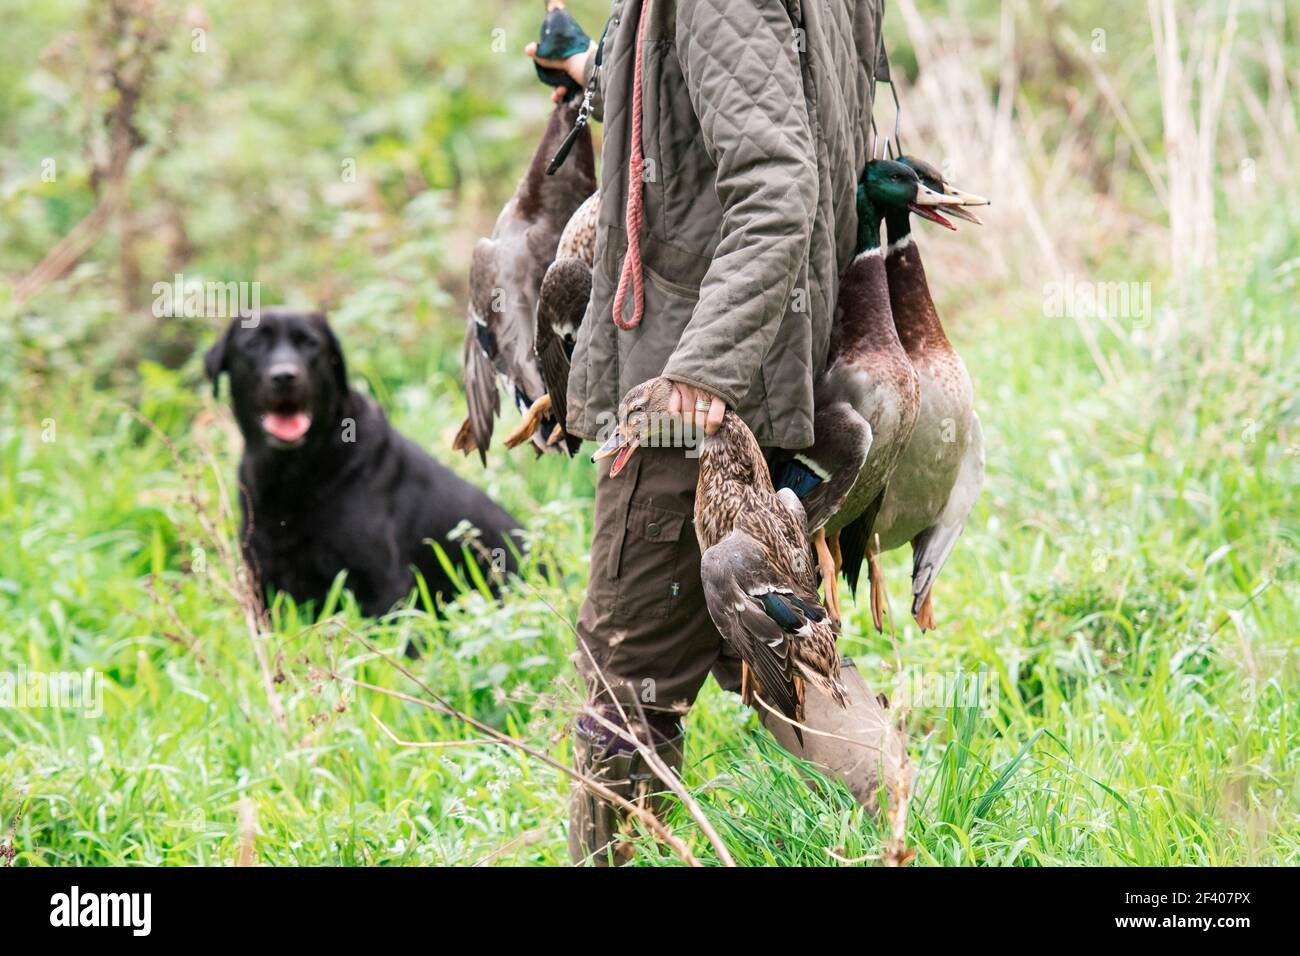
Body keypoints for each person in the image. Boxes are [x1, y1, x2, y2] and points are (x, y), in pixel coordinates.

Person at [527, 0, 907, 866]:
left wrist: (701, 374)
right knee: (780, 655)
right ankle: (906, 828)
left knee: (628, 695)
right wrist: (605, 67)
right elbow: (769, 104)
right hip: (781, 370)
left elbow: (776, 186)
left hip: (691, 402)